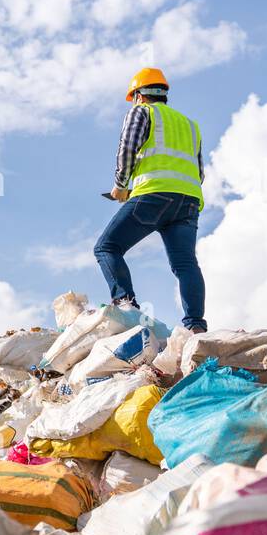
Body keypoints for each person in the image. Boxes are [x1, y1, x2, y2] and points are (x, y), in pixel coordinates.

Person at [94, 67, 208, 334]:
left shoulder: (141, 112)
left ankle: (126, 307)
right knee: (186, 264)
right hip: (189, 200)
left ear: (138, 95)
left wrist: (121, 187)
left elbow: (127, 149)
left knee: (106, 248)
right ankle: (195, 326)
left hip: (153, 194)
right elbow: (199, 172)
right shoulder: (191, 126)